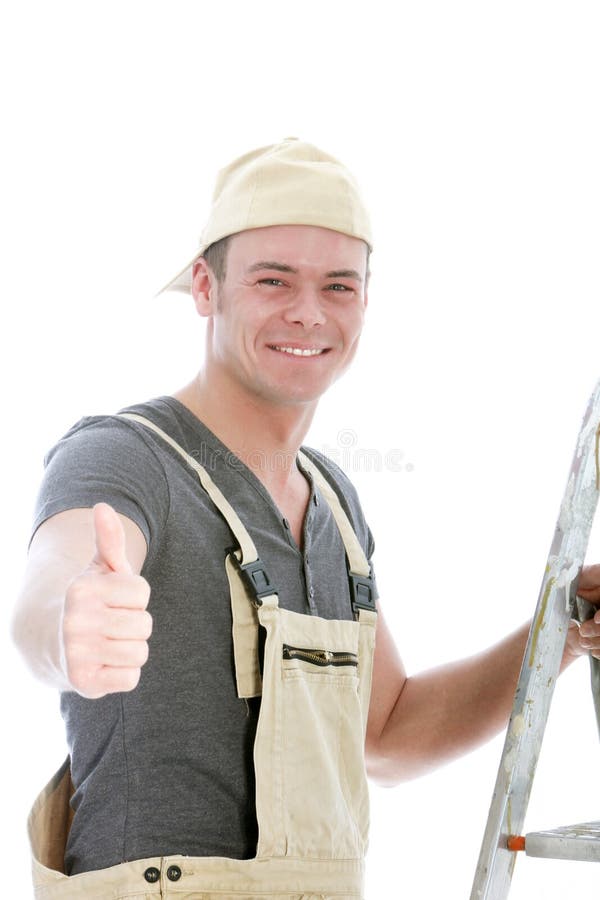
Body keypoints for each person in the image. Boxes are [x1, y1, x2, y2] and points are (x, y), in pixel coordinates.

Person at [12, 138, 600, 900]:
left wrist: (561, 633)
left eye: (339, 287)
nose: (308, 312)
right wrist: (67, 629)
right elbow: (50, 587)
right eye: (272, 280)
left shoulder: (336, 504)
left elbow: (385, 734)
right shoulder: (125, 458)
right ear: (204, 287)